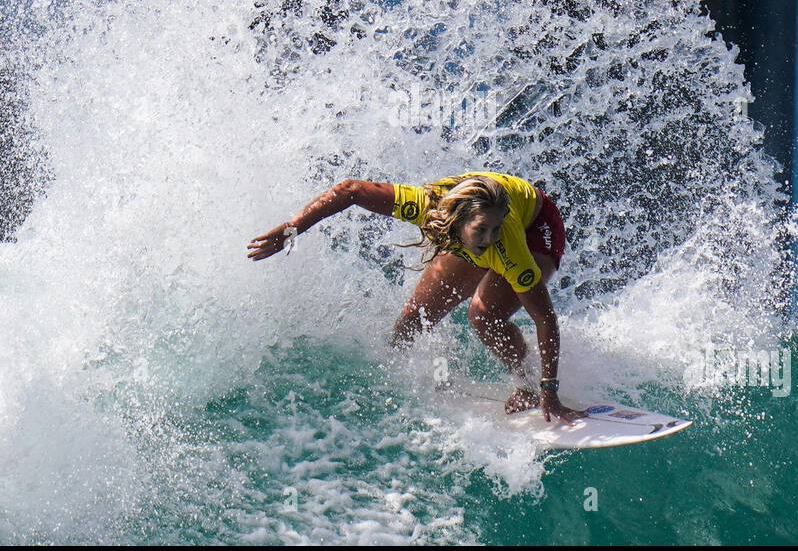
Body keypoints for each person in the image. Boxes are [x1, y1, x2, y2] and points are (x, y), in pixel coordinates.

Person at [247, 171, 586, 422]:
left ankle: (525, 384)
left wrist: (549, 390)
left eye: (494, 230)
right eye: (481, 230)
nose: (489, 238)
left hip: (536, 228)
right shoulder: (426, 207)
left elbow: (545, 317)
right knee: (411, 321)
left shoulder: (505, 245)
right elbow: (349, 190)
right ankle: (432, 377)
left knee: (483, 314)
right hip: (475, 214)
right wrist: (292, 228)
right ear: (457, 220)